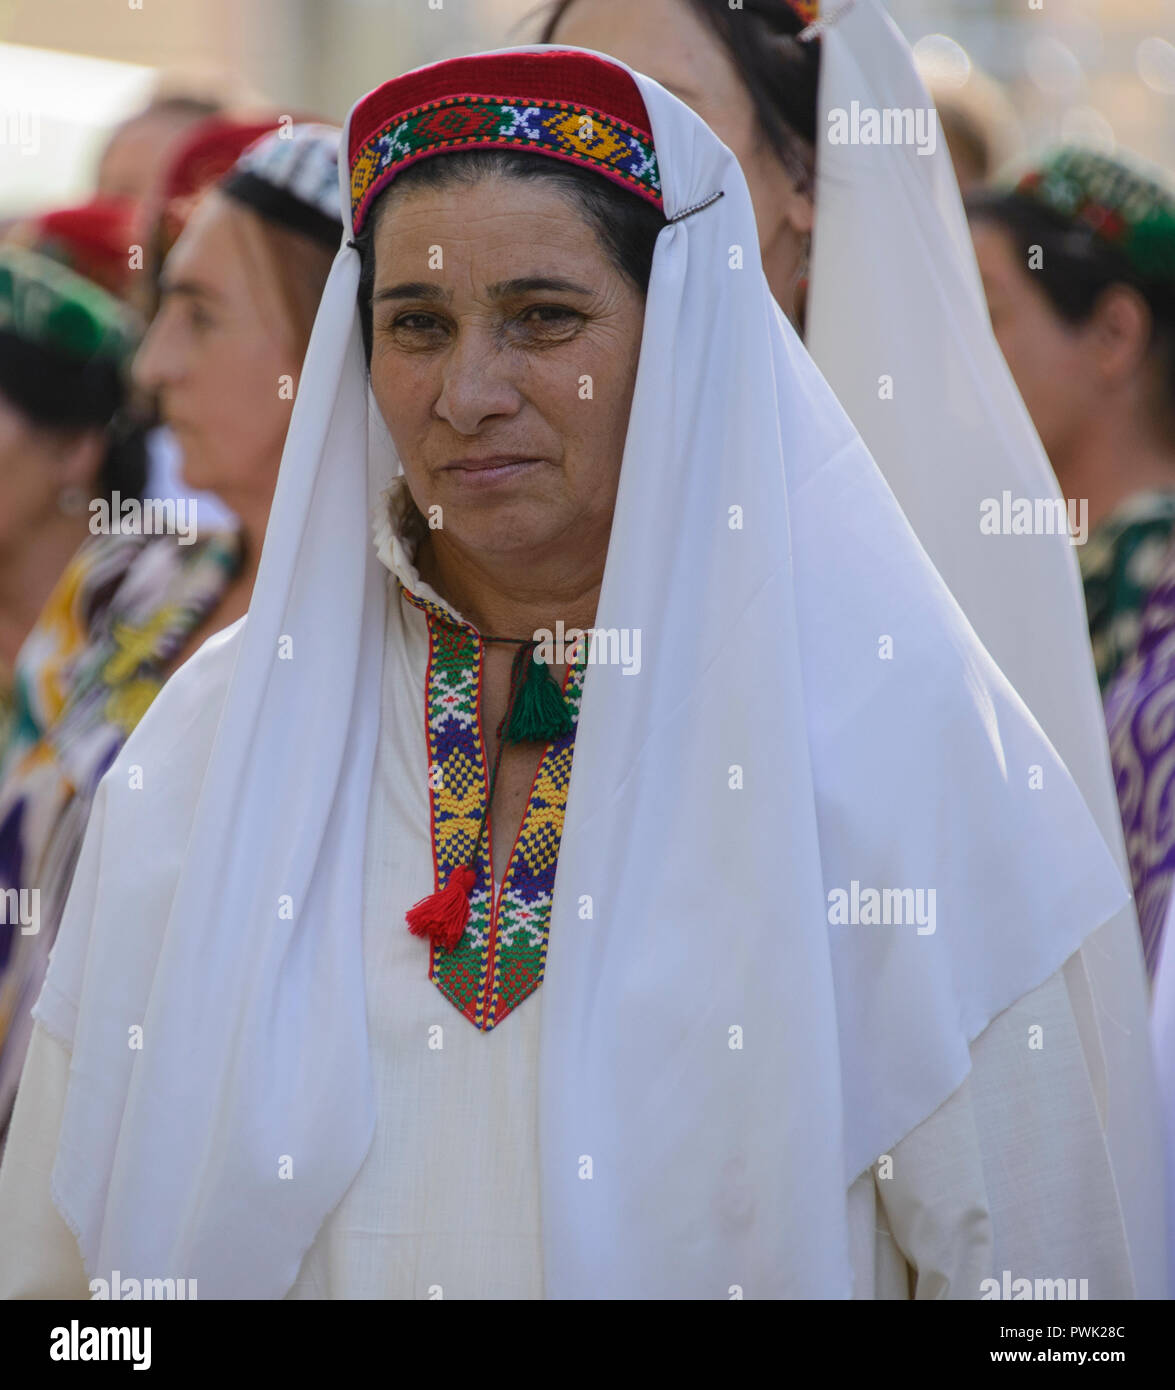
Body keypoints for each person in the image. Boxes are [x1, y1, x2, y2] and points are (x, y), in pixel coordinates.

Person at [0, 45, 1153, 1300]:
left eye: (545, 318)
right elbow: (59, 1266)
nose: (468, 392)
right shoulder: (220, 737)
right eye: (417, 326)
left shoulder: (896, 732)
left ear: (685, 335)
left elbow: (1056, 1291)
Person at [540, 0, 1166, 1297]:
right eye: (553, 114)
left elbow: (1035, 1230)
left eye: (654, 118)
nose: (583, 168)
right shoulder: (395, 631)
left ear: (803, 186)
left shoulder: (918, 642)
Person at [0, 124, 342, 1144]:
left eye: (199, 317)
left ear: (331, 344)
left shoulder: (410, 647)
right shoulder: (121, 582)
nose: (153, 366)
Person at [969, 147, 1175, 693]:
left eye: (988, 316)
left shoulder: (1149, 581)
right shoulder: (1047, 566)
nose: (957, 356)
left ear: (1114, 334)